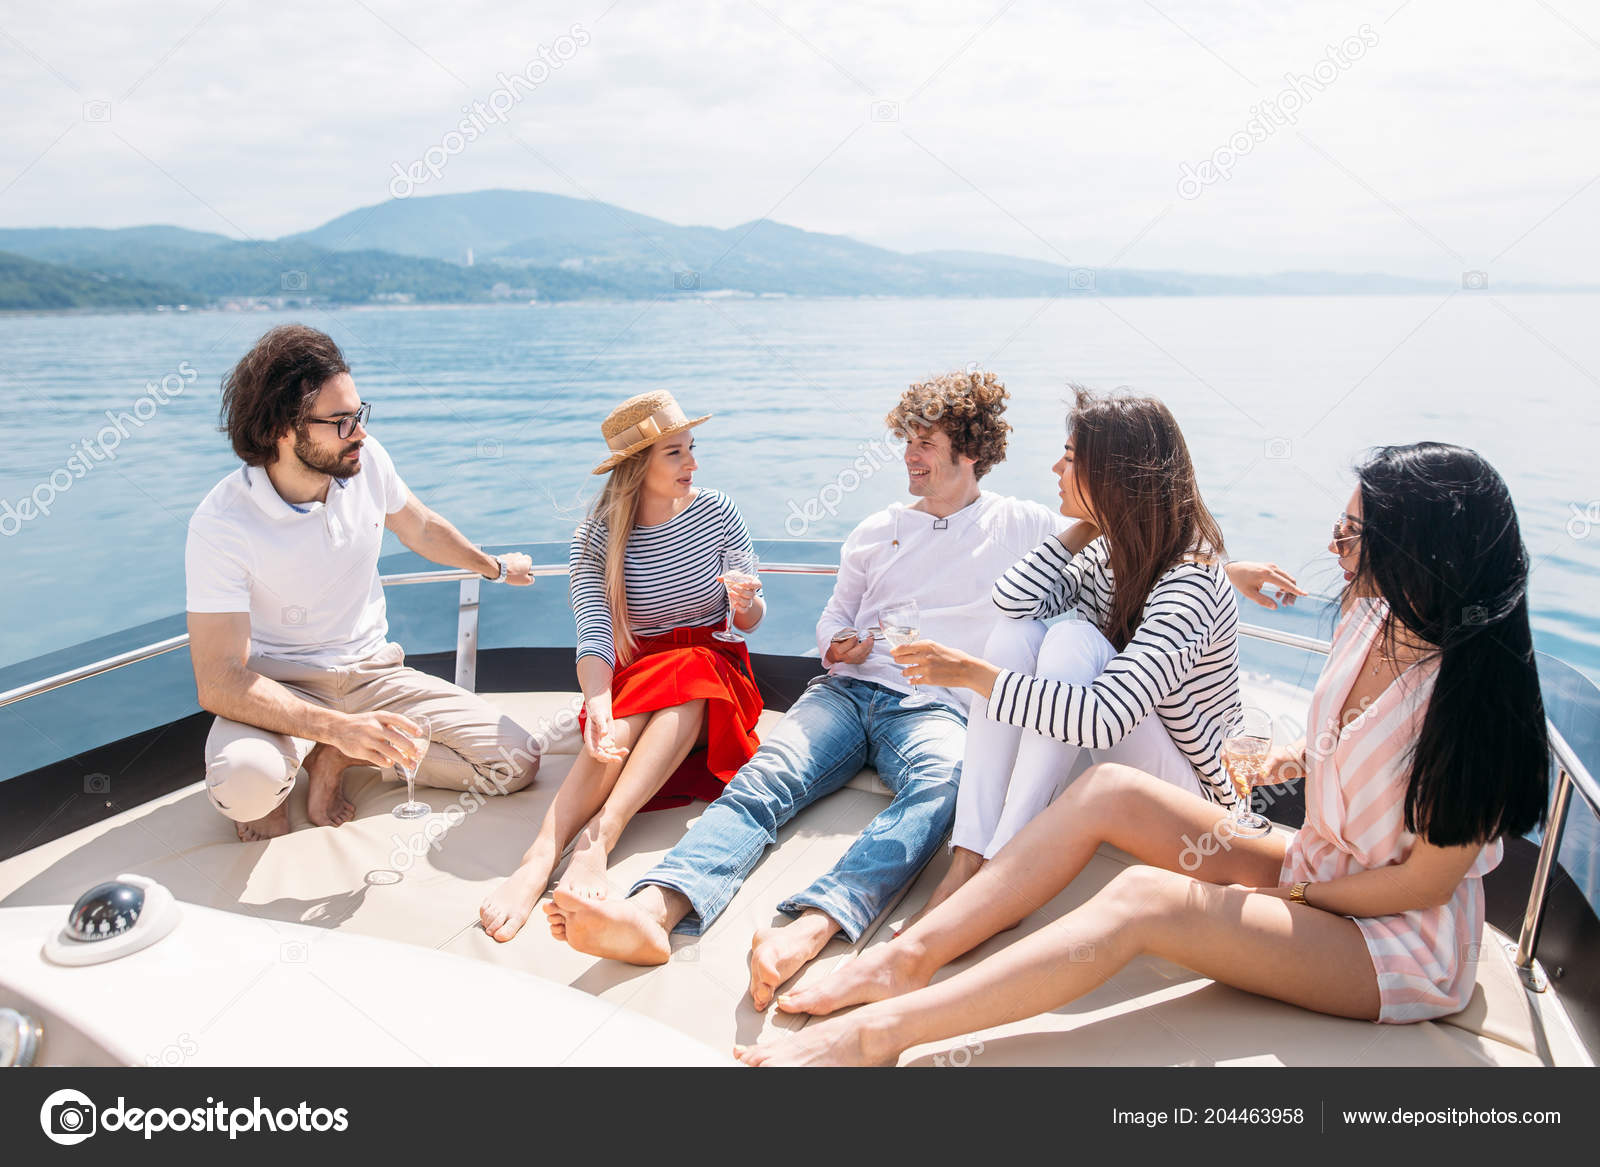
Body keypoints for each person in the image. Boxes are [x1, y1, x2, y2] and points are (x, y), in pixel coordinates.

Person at [732, 442, 1550, 1065]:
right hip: (1319, 865)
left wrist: (1295, 893)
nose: (1334, 543)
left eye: (1354, 532)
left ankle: (883, 1033)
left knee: (1149, 900)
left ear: (1423, 552)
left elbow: (1421, 883)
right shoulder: (1372, 619)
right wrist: (1298, 755)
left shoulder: (1473, 703)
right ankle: (905, 959)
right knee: (1108, 791)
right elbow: (1372, 741)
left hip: (1392, 939)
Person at [540, 370, 1296, 1008]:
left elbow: (1150, 584)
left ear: (970, 453)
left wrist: (1217, 566)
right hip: (852, 690)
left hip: (965, 713)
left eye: (924, 443)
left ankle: (837, 915)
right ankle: (658, 903)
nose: (907, 456)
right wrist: (841, 643)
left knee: (956, 766)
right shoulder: (885, 531)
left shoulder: (1029, 524)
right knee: (769, 776)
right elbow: (1002, 603)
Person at [896, 385, 1302, 921]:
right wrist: (1085, 527)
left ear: (1115, 477)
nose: (1054, 470)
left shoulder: (1193, 583)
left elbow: (1105, 720)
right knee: (1018, 637)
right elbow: (1013, 603)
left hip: (1198, 804)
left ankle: (1004, 867)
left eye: (1069, 459)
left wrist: (973, 675)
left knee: (1072, 640)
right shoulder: (1108, 553)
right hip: (1122, 761)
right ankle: (970, 855)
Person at [186, 324, 541, 843]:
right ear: (282, 429)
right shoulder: (222, 523)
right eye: (341, 422)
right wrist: (333, 725)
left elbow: (420, 526)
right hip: (280, 684)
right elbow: (219, 679)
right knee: (247, 788)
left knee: (517, 762)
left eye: (359, 414)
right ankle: (309, 756)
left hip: (373, 674)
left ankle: (336, 758)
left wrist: (494, 567)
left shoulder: (365, 462)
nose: (360, 433)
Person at [478, 391, 765, 942]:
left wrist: (748, 603)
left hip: (717, 673)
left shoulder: (718, 511)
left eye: (691, 448)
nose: (693, 463)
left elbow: (749, 621)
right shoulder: (596, 537)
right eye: (675, 453)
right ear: (637, 466)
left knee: (692, 671)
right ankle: (541, 855)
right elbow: (595, 633)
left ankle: (598, 840)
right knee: (625, 718)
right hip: (638, 677)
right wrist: (598, 705)